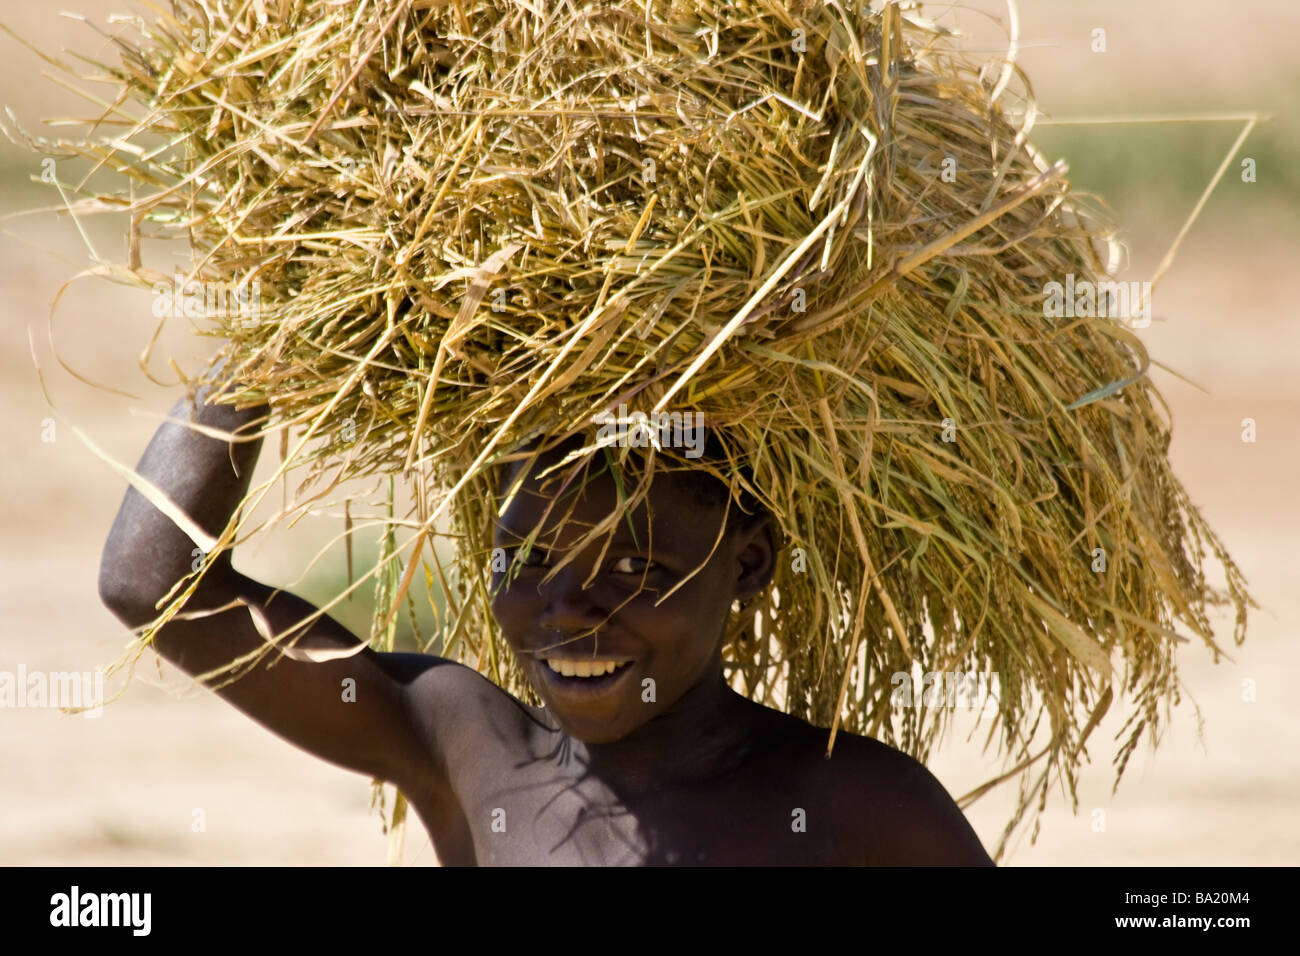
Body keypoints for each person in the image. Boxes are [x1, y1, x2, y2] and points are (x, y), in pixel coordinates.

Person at [98, 380, 994, 866]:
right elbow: (152, 583)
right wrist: (269, 342)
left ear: (748, 561)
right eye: (527, 561)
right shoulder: (462, 745)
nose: (568, 614)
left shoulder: (858, 806)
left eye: (637, 567)